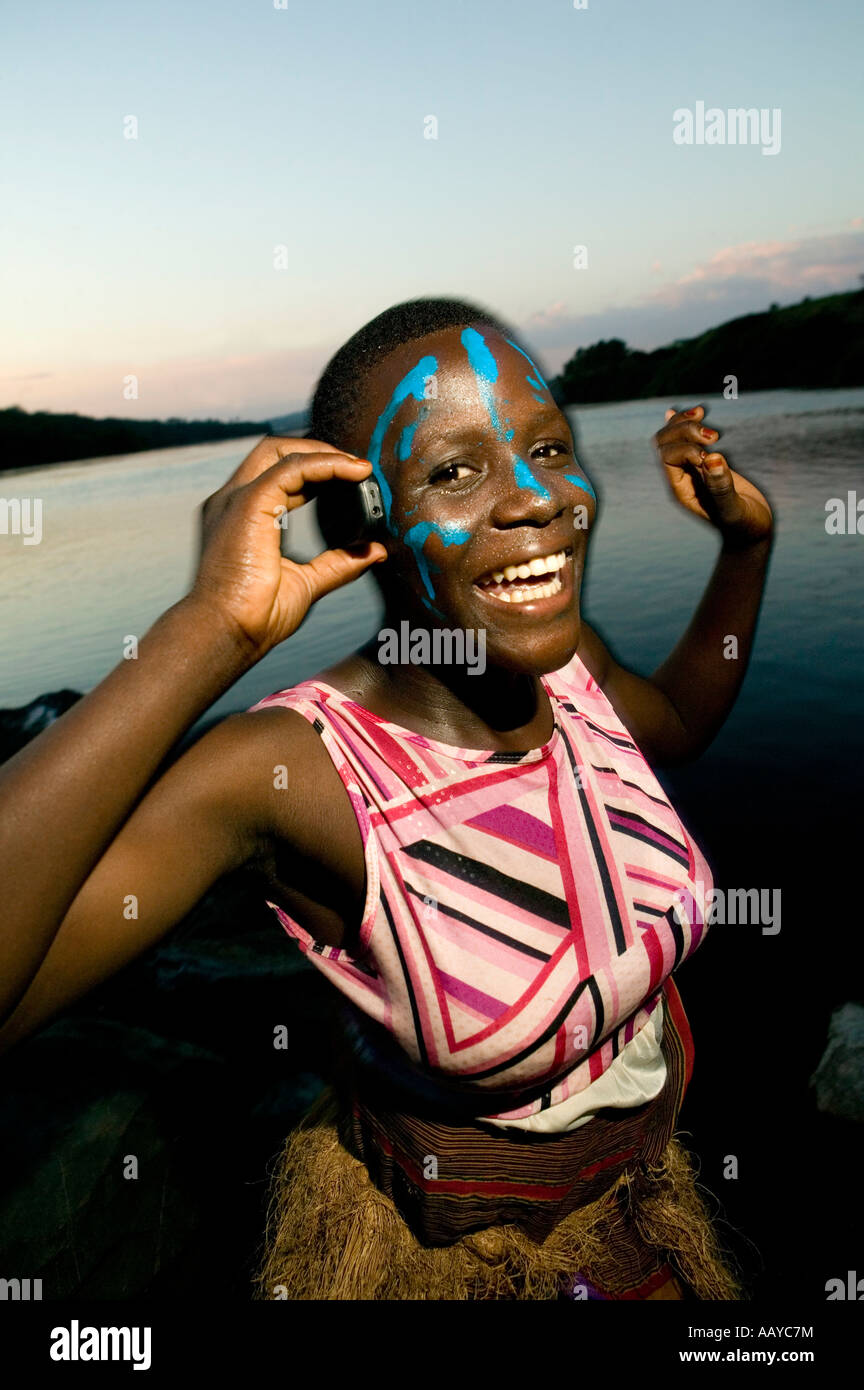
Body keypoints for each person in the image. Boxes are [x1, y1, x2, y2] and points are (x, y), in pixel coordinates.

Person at [0, 297, 773, 1301]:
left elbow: (673, 725)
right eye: (453, 470)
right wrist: (210, 631)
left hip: (637, 1219)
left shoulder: (567, 668)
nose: (535, 498)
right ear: (362, 518)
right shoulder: (292, 767)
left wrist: (746, 547)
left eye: (546, 447)